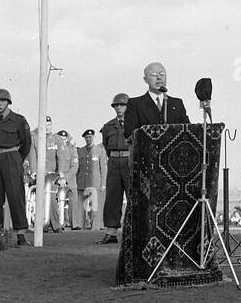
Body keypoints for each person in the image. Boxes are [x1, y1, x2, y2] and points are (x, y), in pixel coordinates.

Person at [0, 88, 32, 245]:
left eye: (2, 101)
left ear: (8, 102)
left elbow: (26, 143)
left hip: (11, 157)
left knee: (15, 195)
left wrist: (17, 159)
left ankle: (21, 233)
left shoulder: (18, 120)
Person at [121, 62, 190, 138]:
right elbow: (129, 132)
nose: (159, 77)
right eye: (154, 75)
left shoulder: (177, 103)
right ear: (145, 79)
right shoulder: (134, 104)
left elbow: (187, 129)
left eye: (162, 74)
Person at [99, 93, 131, 244]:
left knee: (133, 196)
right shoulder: (108, 126)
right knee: (112, 197)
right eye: (116, 105)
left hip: (130, 161)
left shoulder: (135, 124)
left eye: (122, 105)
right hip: (113, 161)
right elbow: (106, 146)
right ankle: (111, 233)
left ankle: (134, 232)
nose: (118, 108)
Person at [76, 130, 100, 231]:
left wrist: (103, 184)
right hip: (82, 181)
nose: (88, 139)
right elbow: (77, 168)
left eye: (90, 137)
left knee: (94, 205)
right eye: (86, 137)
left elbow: (103, 167)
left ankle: (94, 226)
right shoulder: (80, 151)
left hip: (94, 181)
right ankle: (82, 226)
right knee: (81, 205)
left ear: (93, 137)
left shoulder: (99, 150)